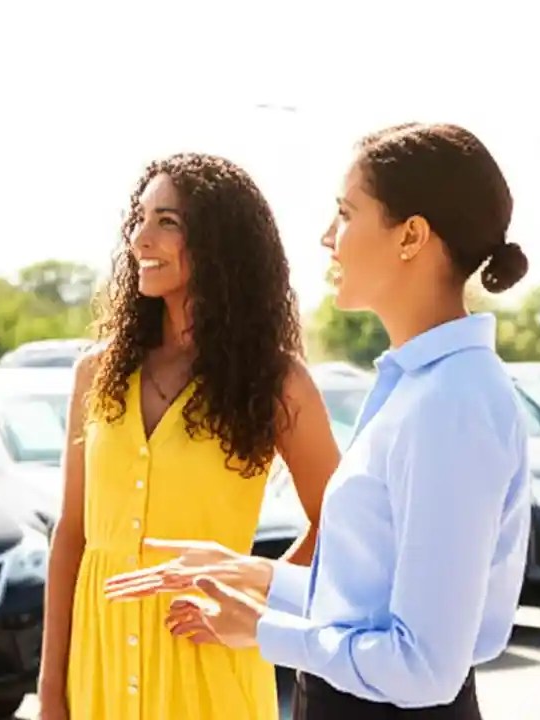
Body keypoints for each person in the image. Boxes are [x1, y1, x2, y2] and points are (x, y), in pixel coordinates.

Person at [106, 122, 531, 719]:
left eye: (346, 213)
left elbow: (424, 668)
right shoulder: (417, 388)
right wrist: (252, 573)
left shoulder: (452, 403)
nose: (328, 237)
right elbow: (368, 606)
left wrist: (264, 629)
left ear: (411, 235)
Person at [38, 153, 341, 719]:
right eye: (140, 219)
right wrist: (51, 694)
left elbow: (344, 523)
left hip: (209, 678)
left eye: (167, 222)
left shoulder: (278, 383)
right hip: (97, 675)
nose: (140, 239)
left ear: (220, 242)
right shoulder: (95, 372)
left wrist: (252, 597)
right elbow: (71, 538)